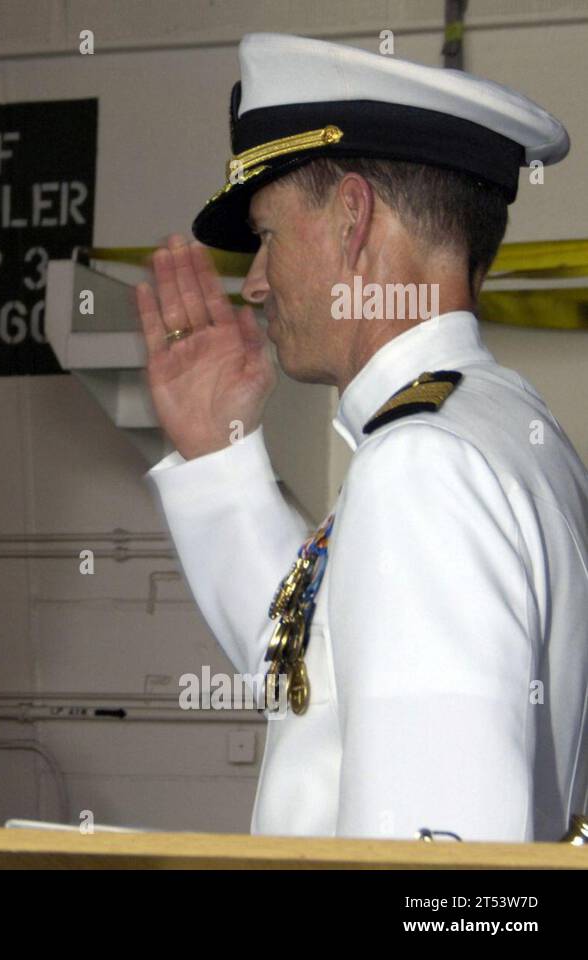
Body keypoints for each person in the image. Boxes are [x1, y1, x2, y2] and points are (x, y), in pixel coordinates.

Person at [139, 34, 588, 841]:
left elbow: (439, 888)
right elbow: (327, 685)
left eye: (269, 236)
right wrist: (220, 456)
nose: (257, 282)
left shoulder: (424, 465)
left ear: (353, 217)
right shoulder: (498, 427)